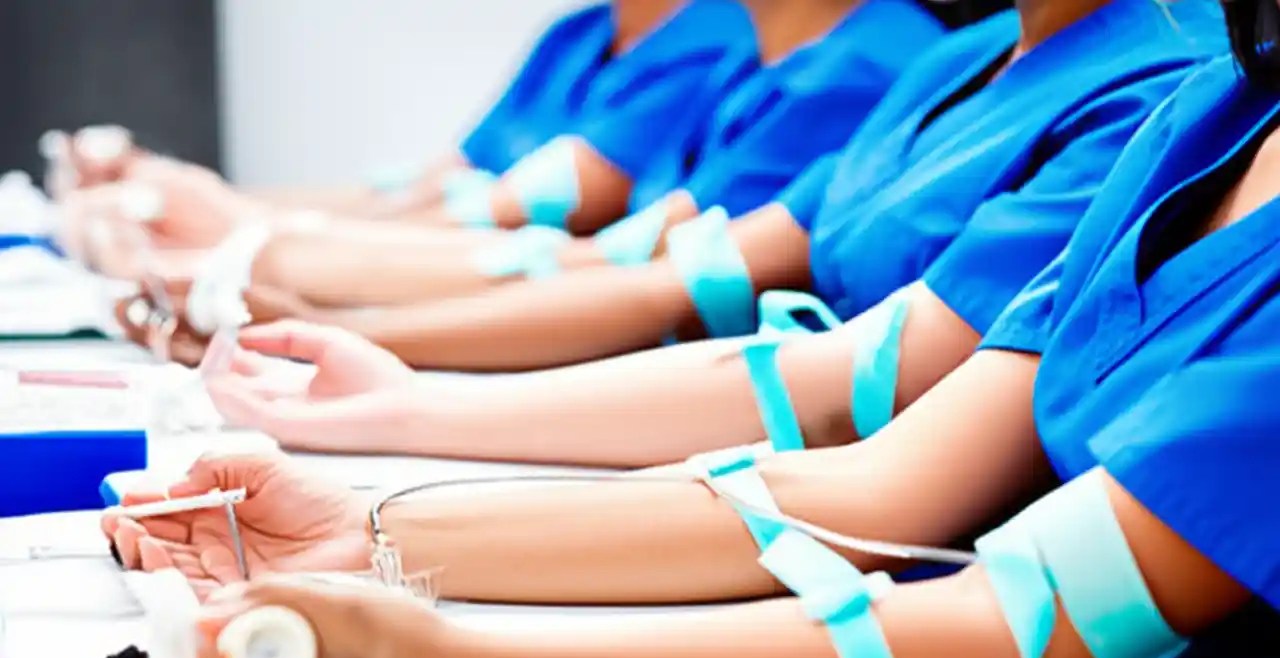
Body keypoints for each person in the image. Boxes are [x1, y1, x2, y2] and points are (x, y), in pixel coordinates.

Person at [106, 4, 1280, 658]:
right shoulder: (1211, 105)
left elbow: (1015, 627)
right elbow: (871, 468)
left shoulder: (1111, 73)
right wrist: (376, 531)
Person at [153, 0, 1222, 473]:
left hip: (826, 500)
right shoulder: (962, 58)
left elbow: (859, 392)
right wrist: (293, 296)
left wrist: (298, 298)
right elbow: (656, 270)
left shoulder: (1153, 80)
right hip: (731, 448)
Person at [85, 0, 949, 325]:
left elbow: (625, 265)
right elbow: (432, 189)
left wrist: (267, 258)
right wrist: (244, 230)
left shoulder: (856, 59)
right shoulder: (610, 36)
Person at [57, 0, 755, 238]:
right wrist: (192, 193)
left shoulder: (716, 42)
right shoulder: (580, 33)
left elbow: (516, 212)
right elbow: (429, 185)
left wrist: (249, 237)